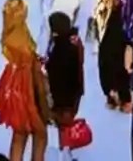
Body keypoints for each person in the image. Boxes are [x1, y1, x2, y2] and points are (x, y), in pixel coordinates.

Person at [0, 0, 48, 161]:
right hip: (25, 85)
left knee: (19, 132)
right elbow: (30, 65)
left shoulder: (8, 32)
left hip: (12, 84)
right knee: (40, 134)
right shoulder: (21, 37)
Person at [44, 12, 85, 159]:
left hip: (63, 97)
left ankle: (65, 152)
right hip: (73, 93)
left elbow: (56, 72)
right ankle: (66, 152)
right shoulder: (73, 43)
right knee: (65, 126)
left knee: (63, 128)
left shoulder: (61, 48)